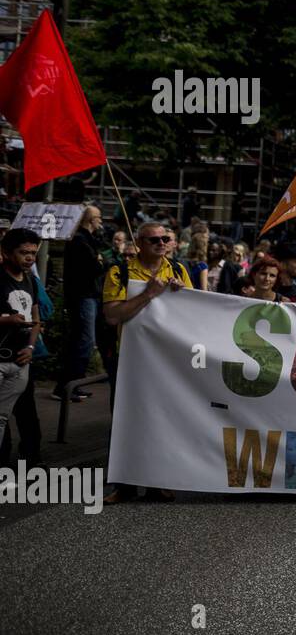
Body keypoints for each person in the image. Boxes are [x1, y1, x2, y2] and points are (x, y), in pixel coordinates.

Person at [102, 222, 192, 503]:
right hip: (130, 358)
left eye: (165, 238)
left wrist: (182, 297)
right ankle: (124, 485)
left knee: (162, 420)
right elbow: (113, 316)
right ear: (139, 242)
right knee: (125, 421)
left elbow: (194, 313)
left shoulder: (178, 270)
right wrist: (148, 294)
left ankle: (157, 482)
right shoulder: (120, 272)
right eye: (153, 239)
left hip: (166, 359)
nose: (161, 243)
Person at [54, 205, 106, 403]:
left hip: (87, 296)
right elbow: (94, 267)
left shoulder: (86, 240)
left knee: (81, 340)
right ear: (90, 219)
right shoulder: (79, 241)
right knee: (83, 341)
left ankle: (72, 384)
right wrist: (99, 261)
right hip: (83, 296)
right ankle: (68, 386)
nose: (101, 221)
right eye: (98, 217)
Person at [0, 229, 42, 472]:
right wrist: (7, 320)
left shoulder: (30, 280)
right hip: (1, 356)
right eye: (23, 252)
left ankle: (31, 462)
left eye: (33, 253)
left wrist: (30, 346)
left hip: (22, 358)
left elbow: (35, 318)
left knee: (27, 414)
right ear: (6, 252)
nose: (29, 258)